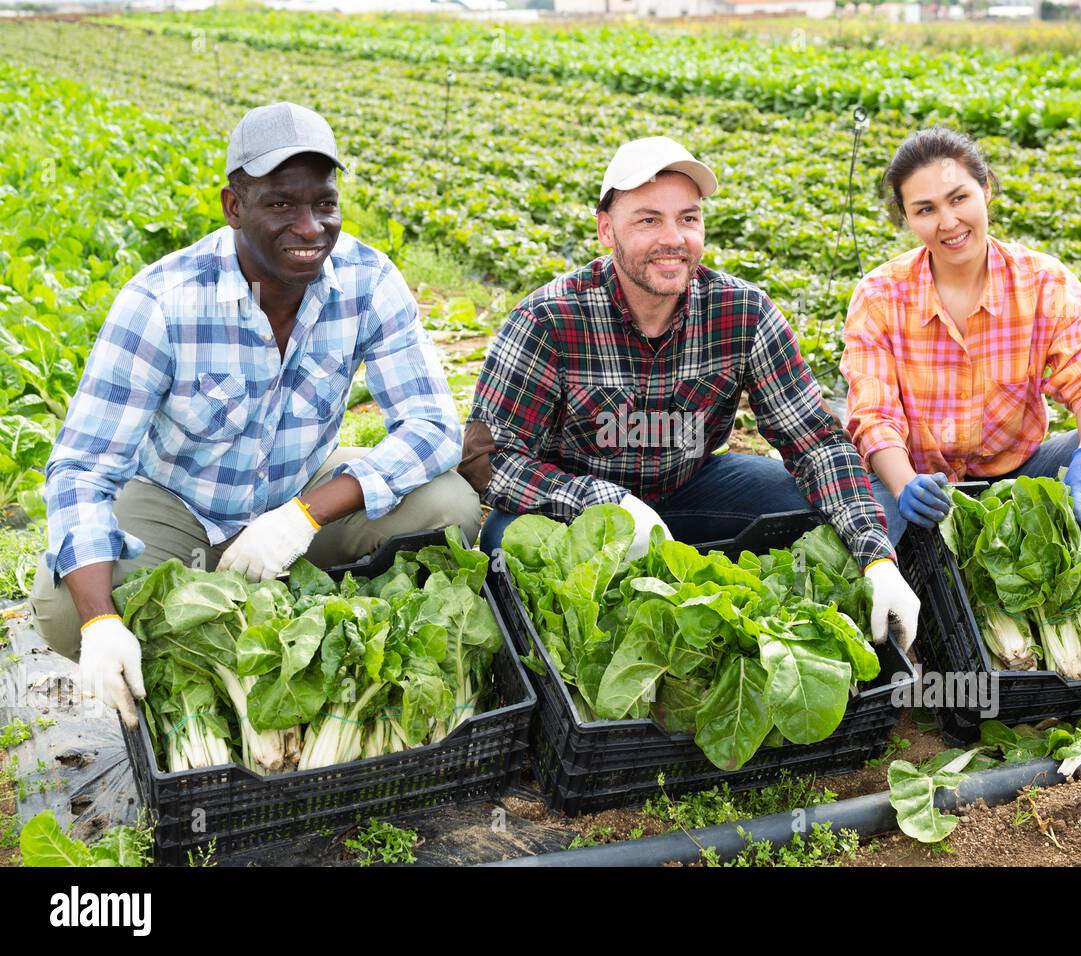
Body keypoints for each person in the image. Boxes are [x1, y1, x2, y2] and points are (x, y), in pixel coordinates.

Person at [31, 102, 480, 727]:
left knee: (448, 507)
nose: (309, 227)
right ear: (233, 207)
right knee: (63, 606)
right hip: (180, 506)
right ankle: (194, 633)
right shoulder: (162, 301)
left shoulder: (367, 280)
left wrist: (302, 516)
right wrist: (102, 621)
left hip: (299, 496)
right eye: (280, 205)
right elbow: (81, 469)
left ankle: (297, 620)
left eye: (324, 203)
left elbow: (434, 428)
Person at [459, 135, 920, 652]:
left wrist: (878, 559)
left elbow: (815, 442)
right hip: (582, 509)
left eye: (688, 218)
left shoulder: (742, 311)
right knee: (505, 545)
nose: (673, 238)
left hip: (692, 486)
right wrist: (604, 504)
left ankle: (797, 622)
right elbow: (488, 459)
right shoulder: (547, 319)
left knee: (871, 502)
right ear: (605, 228)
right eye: (648, 219)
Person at [840, 126, 1081, 547]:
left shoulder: (1044, 282)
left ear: (986, 189)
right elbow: (873, 413)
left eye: (959, 198)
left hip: (1017, 474)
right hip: (920, 483)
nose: (948, 223)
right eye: (925, 209)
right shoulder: (880, 295)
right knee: (872, 532)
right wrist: (903, 486)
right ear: (907, 217)